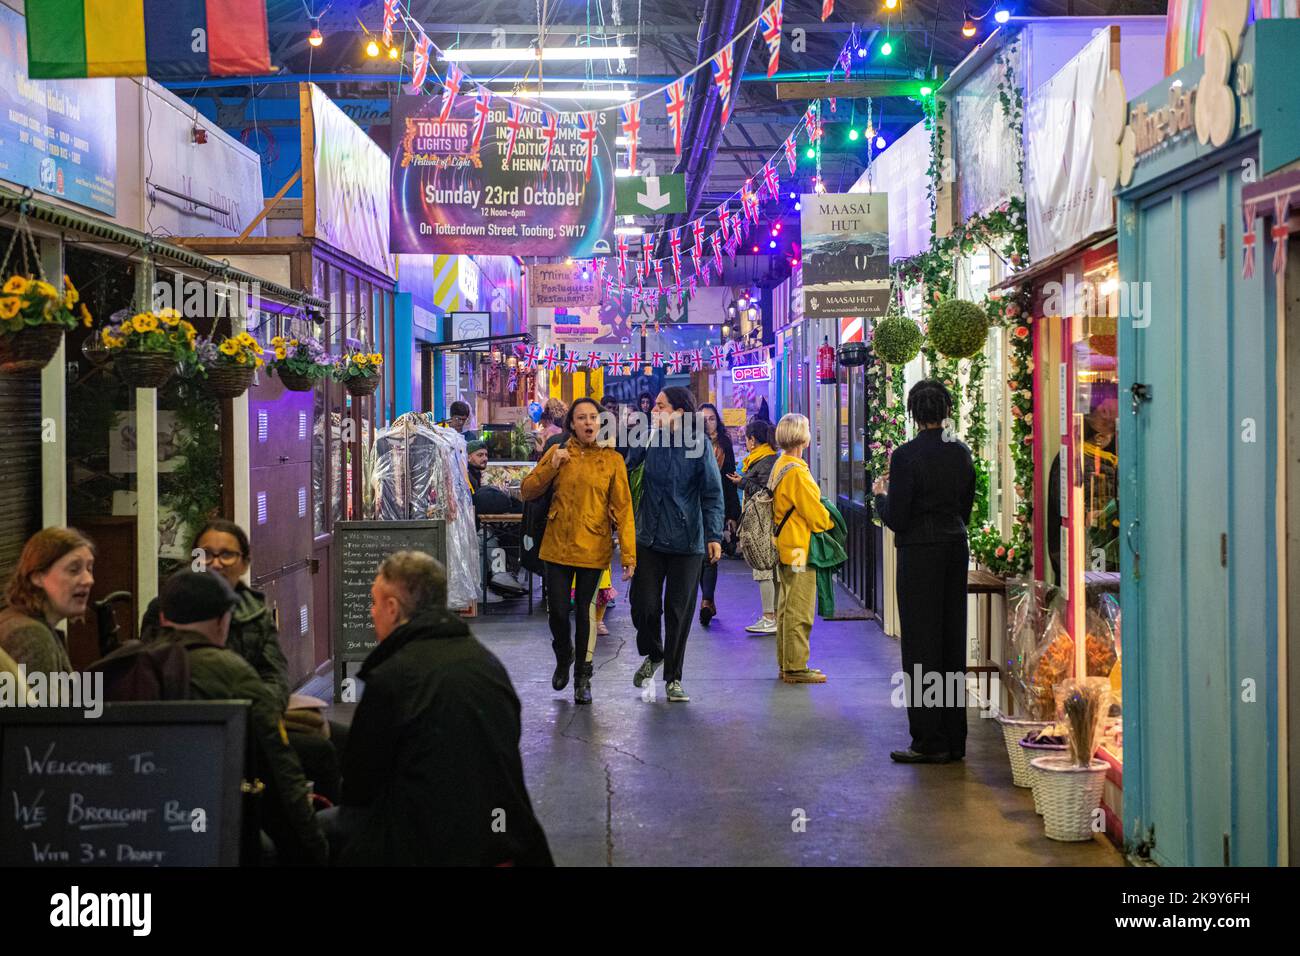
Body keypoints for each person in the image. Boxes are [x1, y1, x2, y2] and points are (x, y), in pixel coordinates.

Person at [326, 551, 553, 865]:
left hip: (427, 845)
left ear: (392, 609)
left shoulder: (393, 678)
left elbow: (360, 786)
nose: (371, 612)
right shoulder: (486, 664)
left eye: (374, 602)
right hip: (506, 839)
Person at [141, 520, 338, 800]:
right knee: (316, 753)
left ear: (245, 563)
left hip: (254, 718)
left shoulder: (255, 611)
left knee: (341, 738)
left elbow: (275, 675)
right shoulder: (166, 608)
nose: (216, 563)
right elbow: (158, 674)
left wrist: (255, 713)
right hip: (191, 726)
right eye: (205, 554)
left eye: (227, 555)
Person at [151, 569, 328, 865]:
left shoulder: (133, 666)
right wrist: (313, 851)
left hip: (143, 829)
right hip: (215, 828)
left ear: (162, 618)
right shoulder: (232, 672)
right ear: (223, 621)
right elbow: (279, 768)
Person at [873, 380, 976, 764]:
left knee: (921, 643)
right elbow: (966, 505)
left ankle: (928, 739)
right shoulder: (961, 453)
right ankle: (954, 738)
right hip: (955, 547)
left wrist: (880, 497)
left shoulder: (905, 457)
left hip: (919, 553)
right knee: (951, 640)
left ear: (913, 413)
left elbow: (898, 518)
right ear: (947, 410)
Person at [520, 397, 635, 704]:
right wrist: (550, 468)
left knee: (585, 611)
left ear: (600, 423)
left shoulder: (613, 461)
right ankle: (563, 654)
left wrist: (628, 555)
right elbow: (528, 490)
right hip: (556, 544)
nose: (587, 423)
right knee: (557, 611)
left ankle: (583, 678)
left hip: (593, 546)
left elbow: (624, 511)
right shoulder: (558, 453)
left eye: (593, 418)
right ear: (571, 423)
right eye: (581, 418)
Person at [626, 387, 724, 703]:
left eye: (660, 405)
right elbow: (625, 463)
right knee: (644, 606)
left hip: (687, 541)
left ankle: (673, 677)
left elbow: (712, 492)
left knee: (678, 612)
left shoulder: (699, 446)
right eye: (654, 405)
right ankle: (654, 653)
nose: (654, 409)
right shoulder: (648, 439)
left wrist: (713, 535)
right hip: (649, 537)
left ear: (680, 413)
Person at [769, 414, 833, 684]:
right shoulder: (797, 471)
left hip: (784, 546)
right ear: (802, 437)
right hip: (799, 547)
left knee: (786, 605)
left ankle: (787, 663)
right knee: (800, 607)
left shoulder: (781, 464)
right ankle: (796, 667)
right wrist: (830, 521)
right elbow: (815, 514)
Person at [0, 527, 94, 675]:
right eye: (74, 570)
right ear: (37, 577)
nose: (89, 580)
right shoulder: (31, 637)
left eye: (89, 569)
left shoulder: (20, 622)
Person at [729, 419, 780, 633]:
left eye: (747, 438)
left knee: (764, 568)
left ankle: (770, 617)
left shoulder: (765, 460)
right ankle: (774, 616)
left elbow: (766, 492)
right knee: (770, 568)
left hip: (763, 522)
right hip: (764, 521)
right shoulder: (764, 458)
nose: (745, 442)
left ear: (752, 439)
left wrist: (741, 482)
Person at [696, 403, 740, 627]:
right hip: (694, 505)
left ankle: (706, 600)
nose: (708, 423)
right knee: (702, 555)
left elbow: (730, 480)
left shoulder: (724, 445)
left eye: (712, 418)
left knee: (710, 554)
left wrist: (733, 514)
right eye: (703, 419)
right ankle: (707, 600)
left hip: (717, 505)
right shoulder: (690, 443)